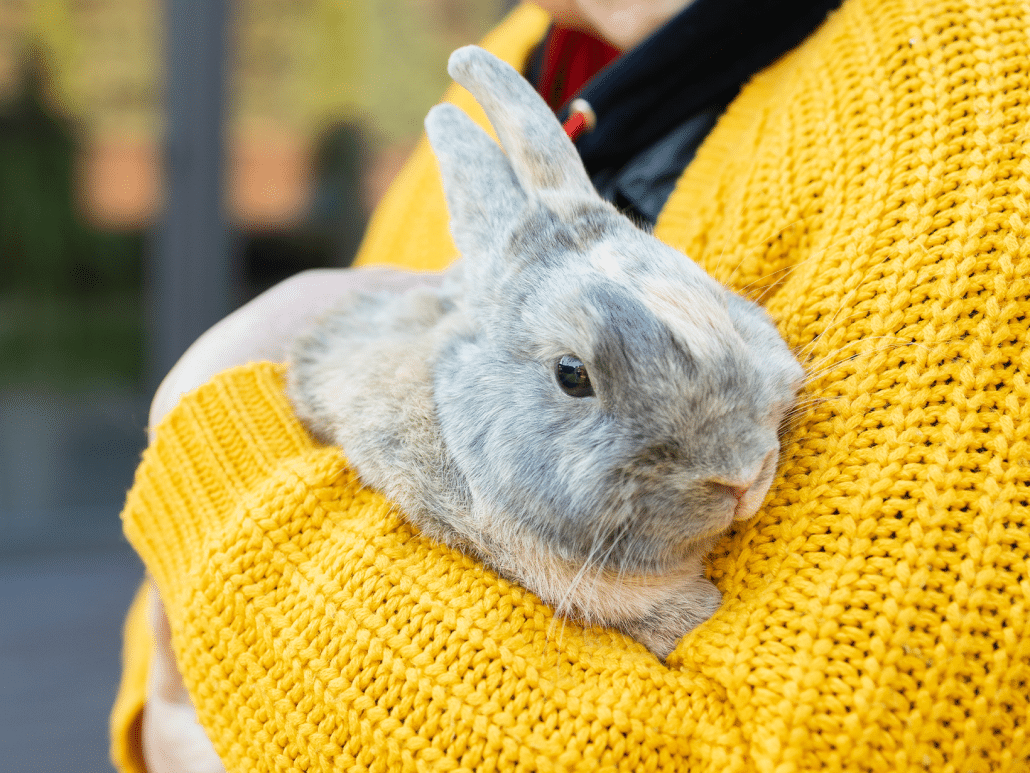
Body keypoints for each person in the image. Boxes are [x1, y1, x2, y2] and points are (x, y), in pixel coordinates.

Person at [113, 1, 1030, 771]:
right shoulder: (516, 60)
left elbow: (814, 747)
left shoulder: (966, 84)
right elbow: (171, 682)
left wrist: (208, 438)